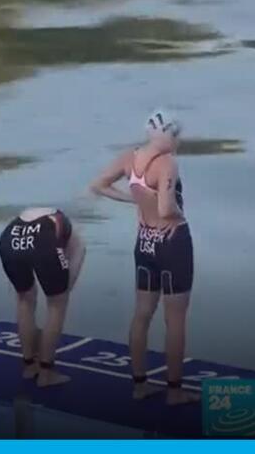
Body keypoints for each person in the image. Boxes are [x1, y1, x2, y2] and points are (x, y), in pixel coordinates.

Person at [91, 109, 198, 405]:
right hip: (173, 243)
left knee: (141, 315)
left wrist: (132, 198)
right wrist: (180, 213)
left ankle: (140, 385)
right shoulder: (167, 164)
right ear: (168, 136)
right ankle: (175, 392)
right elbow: (166, 209)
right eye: (177, 136)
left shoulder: (129, 158)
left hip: (145, 243)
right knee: (175, 321)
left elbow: (98, 185)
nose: (179, 142)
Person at [0, 207, 86, 387]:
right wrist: (61, 290)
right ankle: (46, 372)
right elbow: (67, 285)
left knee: (24, 299)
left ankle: (29, 366)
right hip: (42, 241)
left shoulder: (56, 220)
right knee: (57, 305)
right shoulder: (76, 241)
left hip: (9, 238)